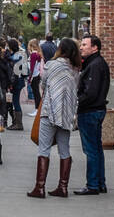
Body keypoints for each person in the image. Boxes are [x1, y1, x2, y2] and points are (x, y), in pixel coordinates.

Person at [27, 37, 82, 198]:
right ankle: (63, 187)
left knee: (44, 149)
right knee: (64, 150)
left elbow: (43, 84)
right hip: (66, 114)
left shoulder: (51, 65)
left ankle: (40, 187)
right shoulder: (76, 69)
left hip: (49, 112)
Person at [74, 34, 110, 195]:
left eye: (84, 44)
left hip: (90, 111)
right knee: (96, 148)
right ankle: (99, 182)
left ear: (94, 47)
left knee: (91, 150)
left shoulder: (95, 65)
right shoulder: (94, 63)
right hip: (94, 110)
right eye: (81, 45)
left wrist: (76, 103)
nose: (81, 47)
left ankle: (93, 184)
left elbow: (90, 93)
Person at [5, 38, 26, 130]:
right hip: (20, 81)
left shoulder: (15, 57)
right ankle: (17, 122)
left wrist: (11, 84)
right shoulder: (21, 54)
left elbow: (15, 72)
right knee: (15, 101)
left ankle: (18, 124)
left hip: (16, 82)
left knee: (16, 102)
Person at [27, 38, 42, 107]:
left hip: (34, 75)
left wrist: (29, 78)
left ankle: (37, 109)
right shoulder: (38, 53)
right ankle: (38, 109)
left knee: (36, 93)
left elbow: (32, 68)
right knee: (37, 92)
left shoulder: (33, 54)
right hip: (37, 74)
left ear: (31, 46)